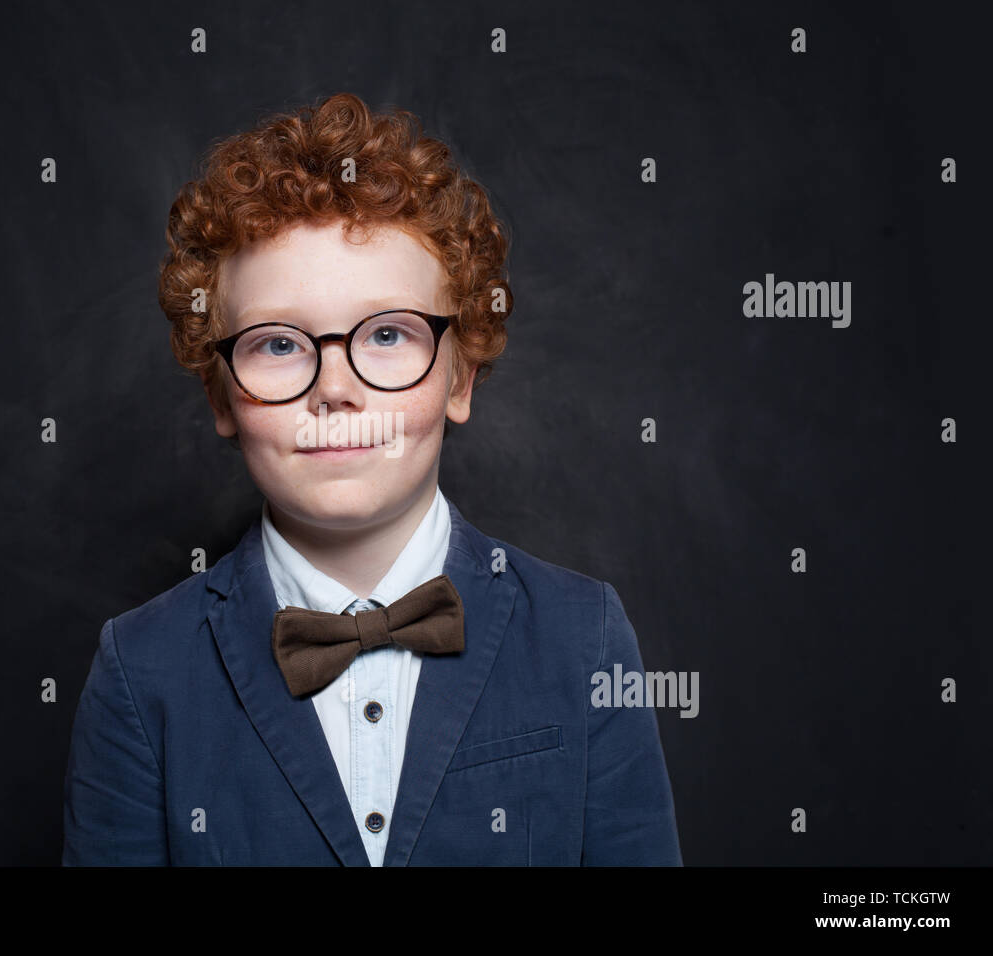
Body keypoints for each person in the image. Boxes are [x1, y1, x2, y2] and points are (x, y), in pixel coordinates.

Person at [62, 92, 681, 865]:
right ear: (222, 394)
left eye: (387, 334)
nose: (334, 386)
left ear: (459, 378)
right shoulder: (139, 671)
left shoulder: (583, 636)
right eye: (279, 344)